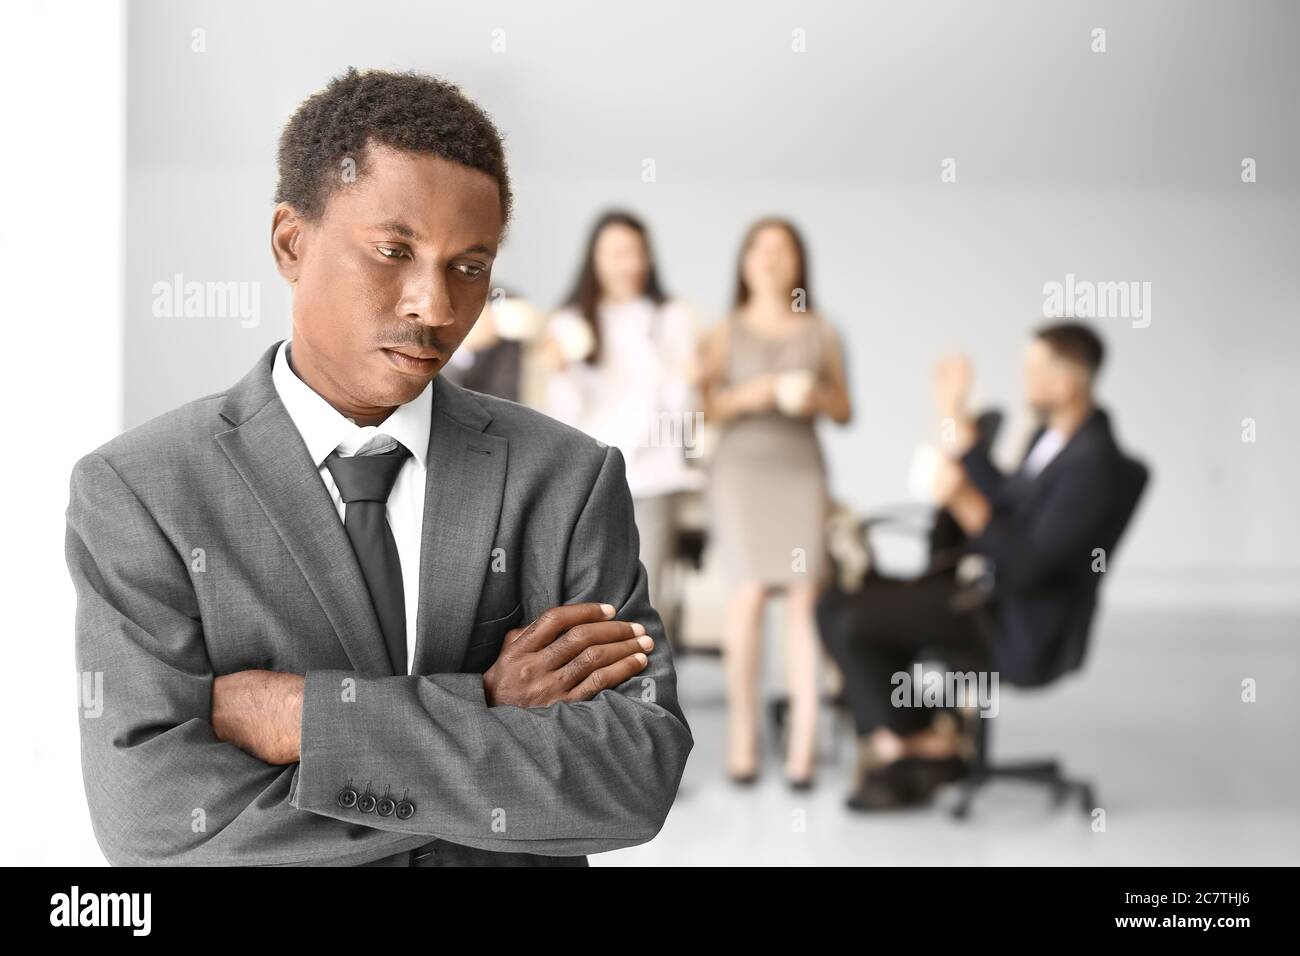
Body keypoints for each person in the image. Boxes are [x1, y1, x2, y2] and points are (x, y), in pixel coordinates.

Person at [64, 67, 693, 866]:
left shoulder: (567, 479)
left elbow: (632, 777)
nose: (434, 306)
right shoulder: (139, 490)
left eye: (470, 267)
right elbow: (155, 819)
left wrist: (311, 725)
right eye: (395, 251)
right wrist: (489, 706)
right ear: (291, 242)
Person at [817, 321, 1130, 811]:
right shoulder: (1052, 438)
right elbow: (1006, 496)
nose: (1025, 377)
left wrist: (963, 499)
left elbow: (1028, 566)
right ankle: (920, 738)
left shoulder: (1094, 463)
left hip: (1018, 621)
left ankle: (921, 743)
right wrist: (953, 415)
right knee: (836, 603)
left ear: (1068, 381)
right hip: (984, 593)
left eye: (1035, 368)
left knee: (855, 617)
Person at [697, 217, 852, 788]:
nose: (769, 258)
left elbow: (844, 409)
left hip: (800, 470)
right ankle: (744, 733)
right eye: (759, 248)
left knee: (805, 596)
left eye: (781, 249)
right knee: (749, 595)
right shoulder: (722, 331)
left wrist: (815, 396)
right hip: (740, 472)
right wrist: (752, 395)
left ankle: (804, 743)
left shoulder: (822, 331)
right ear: (744, 262)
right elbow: (702, 408)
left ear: (798, 263)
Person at [540, 210, 704, 626]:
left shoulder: (672, 316)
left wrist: (688, 378)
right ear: (594, 258)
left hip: (654, 474)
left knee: (651, 591)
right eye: (615, 253)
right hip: (594, 477)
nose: (626, 264)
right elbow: (567, 416)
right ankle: (601, 689)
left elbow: (682, 413)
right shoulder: (568, 322)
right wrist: (560, 371)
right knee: (592, 590)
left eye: (634, 253)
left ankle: (651, 687)